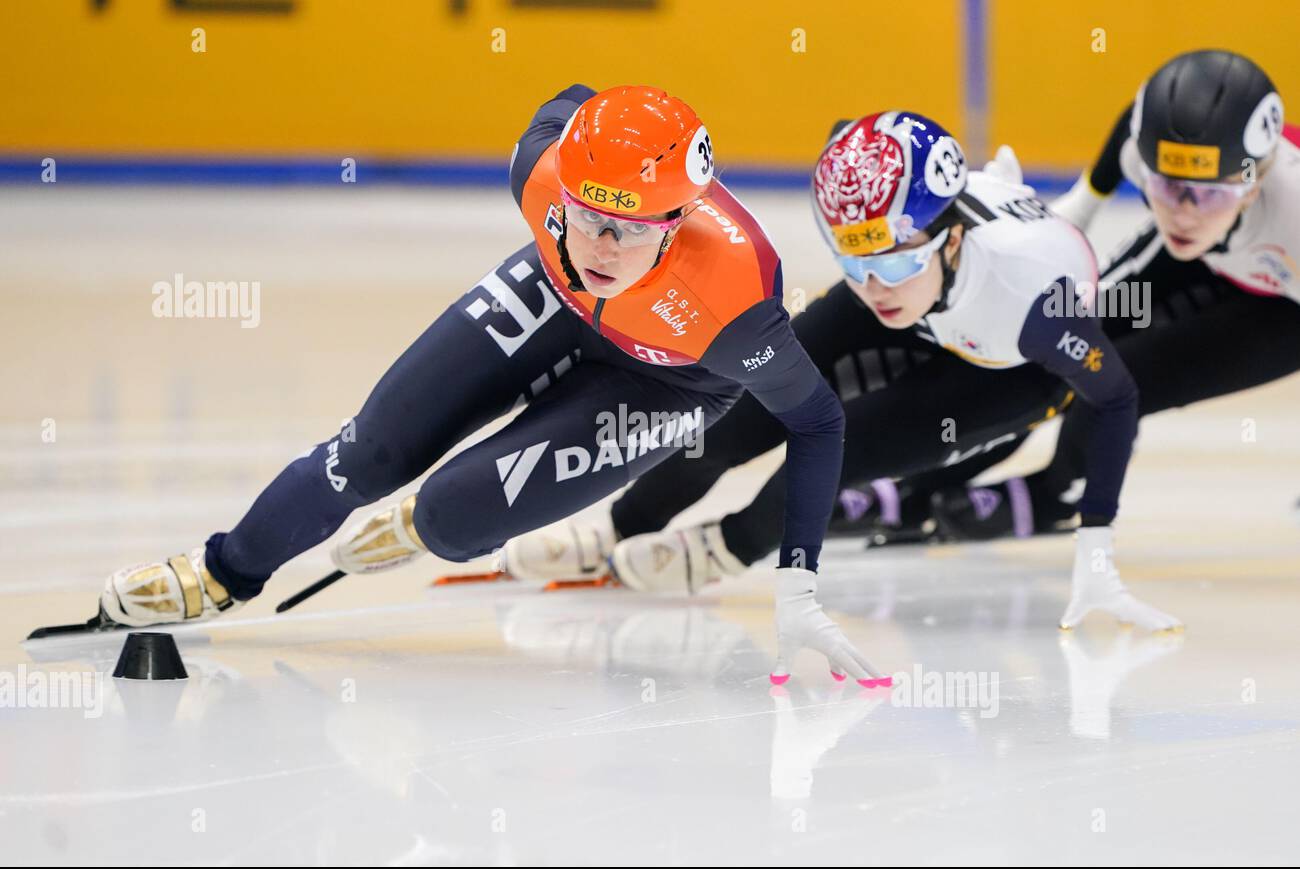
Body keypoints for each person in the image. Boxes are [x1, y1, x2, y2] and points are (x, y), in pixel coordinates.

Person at [96, 84, 889, 686]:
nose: (602, 248)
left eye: (630, 230)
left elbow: (819, 422)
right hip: (552, 295)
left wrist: (797, 587)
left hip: (673, 379)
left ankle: (424, 525)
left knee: (451, 514)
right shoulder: (540, 171)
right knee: (371, 453)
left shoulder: (735, 310)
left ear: (679, 221)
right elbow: (572, 104)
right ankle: (224, 570)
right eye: (587, 216)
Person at [503, 110, 1180, 631]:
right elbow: (875, 237)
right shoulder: (885, 258)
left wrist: (1097, 550)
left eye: (892, 262)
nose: (874, 284)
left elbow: (1118, 399)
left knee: (847, 446)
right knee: (745, 405)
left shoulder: (1036, 307)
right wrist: (885, 267)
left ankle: (727, 548)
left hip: (1011, 362)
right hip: (941, 296)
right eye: (851, 259)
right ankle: (624, 525)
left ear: (951, 238)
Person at [908, 49, 1300, 542]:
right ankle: (922, 475)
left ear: (1254, 184)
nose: (1184, 213)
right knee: (1054, 337)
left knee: (1129, 374)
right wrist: (1084, 204)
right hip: (1201, 257)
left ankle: (1053, 494)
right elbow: (1130, 126)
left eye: (1209, 194)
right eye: (1166, 187)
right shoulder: (1156, 154)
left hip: (1286, 313)